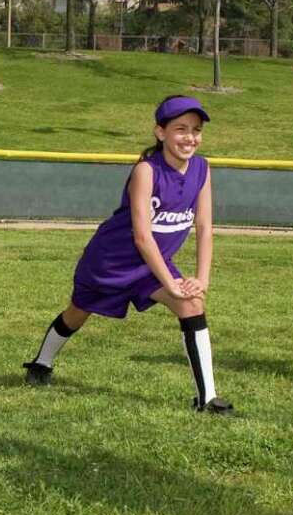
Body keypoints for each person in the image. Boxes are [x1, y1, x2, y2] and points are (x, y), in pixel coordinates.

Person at [21, 95, 232, 414]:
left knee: (192, 303)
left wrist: (201, 279)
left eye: (196, 130)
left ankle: (207, 398)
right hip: (111, 261)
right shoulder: (146, 171)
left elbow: (204, 227)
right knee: (78, 311)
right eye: (180, 129)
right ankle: (41, 363)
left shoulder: (202, 169)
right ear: (160, 132)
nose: (190, 137)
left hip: (152, 266)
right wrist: (172, 283)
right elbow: (142, 236)